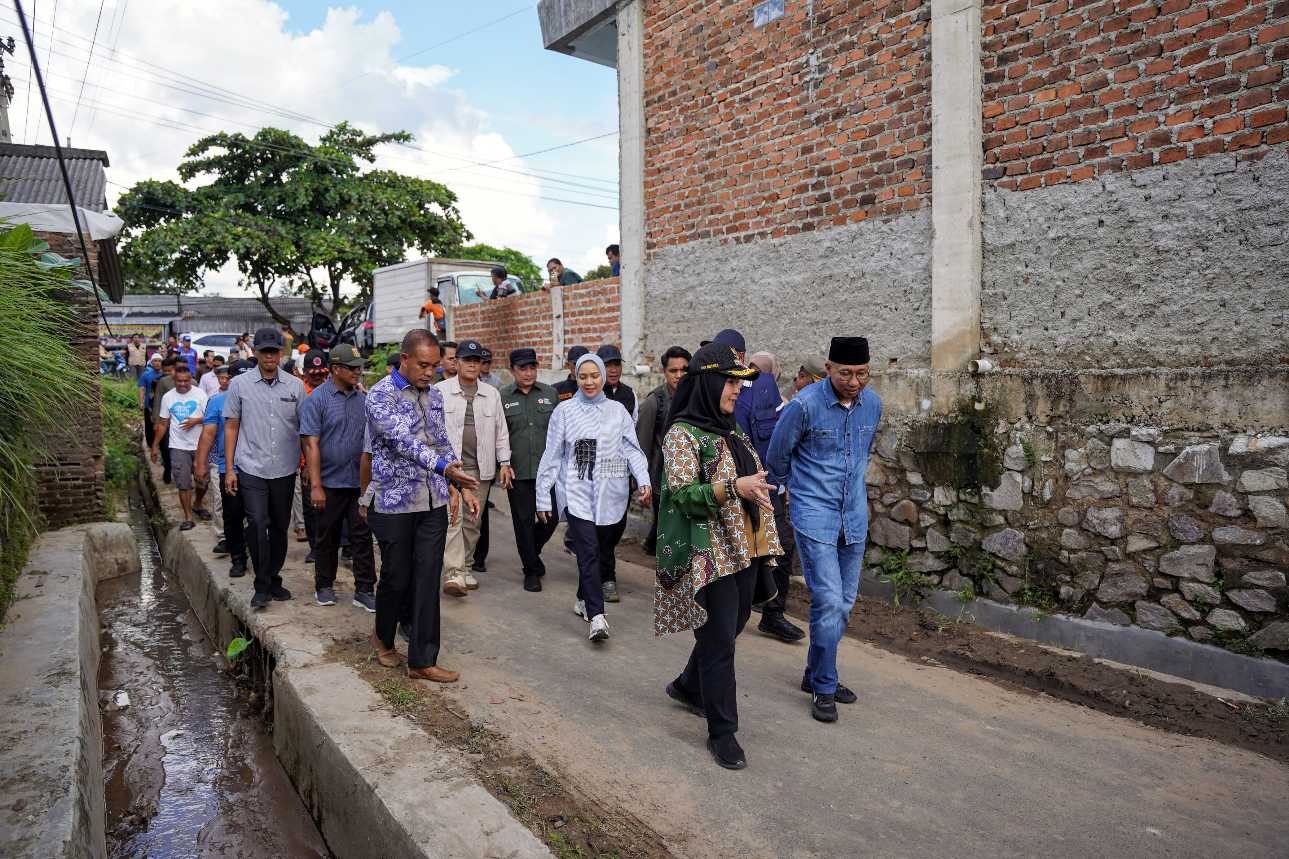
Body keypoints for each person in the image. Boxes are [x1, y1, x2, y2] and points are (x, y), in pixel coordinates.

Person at [654, 342, 781, 770]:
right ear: (708, 383)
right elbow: (682, 494)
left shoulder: (730, 429)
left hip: (742, 547)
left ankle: (689, 686)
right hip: (707, 553)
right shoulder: (682, 435)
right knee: (719, 641)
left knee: (733, 625)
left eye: (739, 383)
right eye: (730, 382)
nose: (737, 390)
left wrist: (755, 489)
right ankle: (723, 733)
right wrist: (734, 488)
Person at [766, 336, 881, 724]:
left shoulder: (873, 405)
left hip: (854, 516)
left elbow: (862, 455)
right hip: (814, 514)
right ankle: (825, 686)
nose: (854, 382)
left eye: (862, 374)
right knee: (829, 600)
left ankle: (814, 673)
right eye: (846, 373)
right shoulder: (804, 406)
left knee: (843, 603)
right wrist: (788, 496)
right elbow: (777, 456)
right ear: (828, 369)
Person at [364, 328, 479, 682]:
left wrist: (458, 483)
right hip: (394, 502)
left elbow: (441, 442)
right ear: (404, 360)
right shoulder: (380, 396)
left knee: (428, 578)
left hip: (432, 500)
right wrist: (445, 469)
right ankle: (383, 637)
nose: (430, 372)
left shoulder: (435, 396)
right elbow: (404, 442)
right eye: (423, 365)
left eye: (434, 366)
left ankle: (422, 660)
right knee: (396, 577)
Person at [535, 352, 651, 642]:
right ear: (576, 377)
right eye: (583, 376)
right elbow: (552, 456)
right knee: (587, 551)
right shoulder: (564, 412)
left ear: (602, 377)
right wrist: (542, 496)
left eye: (595, 376)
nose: (589, 382)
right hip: (576, 492)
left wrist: (643, 479)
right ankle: (597, 617)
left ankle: (582, 598)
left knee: (597, 551)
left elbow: (632, 449)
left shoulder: (617, 411)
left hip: (611, 493)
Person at [223, 327, 307, 611]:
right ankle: (261, 585)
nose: (269, 356)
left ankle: (273, 577)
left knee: (280, 526)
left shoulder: (295, 386)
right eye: (264, 351)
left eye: (274, 351)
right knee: (258, 523)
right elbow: (231, 426)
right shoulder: (239, 385)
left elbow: (305, 429)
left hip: (284, 468)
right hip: (251, 467)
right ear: (256, 353)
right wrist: (230, 468)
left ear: (280, 353)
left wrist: (307, 466)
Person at [731, 351, 806, 644]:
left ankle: (772, 613)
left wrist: (783, 486)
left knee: (780, 546)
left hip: (768, 488)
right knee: (748, 550)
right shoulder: (741, 396)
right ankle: (736, 612)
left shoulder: (777, 401)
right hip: (743, 488)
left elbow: (783, 447)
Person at [300, 344, 377, 611]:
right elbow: (311, 444)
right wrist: (316, 485)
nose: (358, 372)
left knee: (362, 537)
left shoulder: (363, 400)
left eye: (359, 367)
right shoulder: (317, 400)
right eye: (352, 368)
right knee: (327, 537)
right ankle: (324, 585)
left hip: (359, 484)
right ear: (335, 369)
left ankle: (365, 590)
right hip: (329, 484)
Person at [436, 340, 512, 596]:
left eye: (476, 361)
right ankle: (454, 573)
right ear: (456, 362)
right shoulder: (440, 391)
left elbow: (501, 432)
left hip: (481, 469)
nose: (471, 365)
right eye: (466, 360)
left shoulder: (492, 394)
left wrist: (505, 462)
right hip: (451, 469)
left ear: (482, 365)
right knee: (453, 518)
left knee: (472, 521)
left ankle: (466, 566)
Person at [500, 348, 560, 592]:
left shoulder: (550, 393)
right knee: (523, 522)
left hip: (548, 471)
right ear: (512, 370)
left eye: (532, 367)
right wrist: (502, 464)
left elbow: (560, 431)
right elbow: (499, 434)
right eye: (522, 368)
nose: (528, 373)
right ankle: (531, 571)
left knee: (552, 517)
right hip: (518, 471)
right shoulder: (502, 397)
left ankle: (531, 553)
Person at [196, 360, 251, 578]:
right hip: (228, 468)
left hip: (257, 469)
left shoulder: (261, 400)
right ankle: (238, 558)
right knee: (232, 515)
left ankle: (256, 554)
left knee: (258, 517)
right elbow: (208, 434)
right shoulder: (218, 401)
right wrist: (200, 463)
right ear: (230, 379)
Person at [636, 346, 691, 555]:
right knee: (666, 525)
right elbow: (642, 446)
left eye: (684, 370)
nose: (679, 375)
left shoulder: (694, 396)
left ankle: (653, 546)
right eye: (673, 370)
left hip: (687, 475)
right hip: (661, 478)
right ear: (664, 372)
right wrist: (643, 483)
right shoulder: (654, 402)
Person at [593, 343, 636, 602]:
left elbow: (633, 436)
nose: (613, 369)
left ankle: (598, 564)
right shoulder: (588, 394)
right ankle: (606, 577)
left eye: (616, 364)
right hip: (595, 469)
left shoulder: (629, 395)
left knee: (617, 524)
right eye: (607, 365)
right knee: (601, 526)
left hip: (619, 469)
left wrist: (634, 473)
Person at [151, 365, 208, 530]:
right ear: (174, 380)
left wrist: (195, 421)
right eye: (179, 381)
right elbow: (163, 423)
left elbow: (210, 417)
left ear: (191, 379)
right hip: (178, 446)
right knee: (183, 483)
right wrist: (155, 446)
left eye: (186, 381)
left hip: (200, 446)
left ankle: (197, 504)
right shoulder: (168, 397)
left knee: (203, 481)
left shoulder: (200, 395)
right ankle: (188, 517)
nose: (183, 384)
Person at [151, 356, 179, 484]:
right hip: (166, 421)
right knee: (166, 448)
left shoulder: (190, 381)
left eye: (171, 370)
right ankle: (168, 468)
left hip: (181, 421)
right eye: (166, 370)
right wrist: (156, 421)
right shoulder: (163, 382)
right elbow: (157, 401)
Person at [138, 353, 164, 452]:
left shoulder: (164, 374)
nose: (157, 363)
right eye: (155, 361)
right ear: (151, 362)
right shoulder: (146, 375)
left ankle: (161, 444)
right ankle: (150, 444)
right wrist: (141, 402)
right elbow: (142, 389)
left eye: (159, 361)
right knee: (149, 425)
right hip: (149, 405)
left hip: (162, 405)